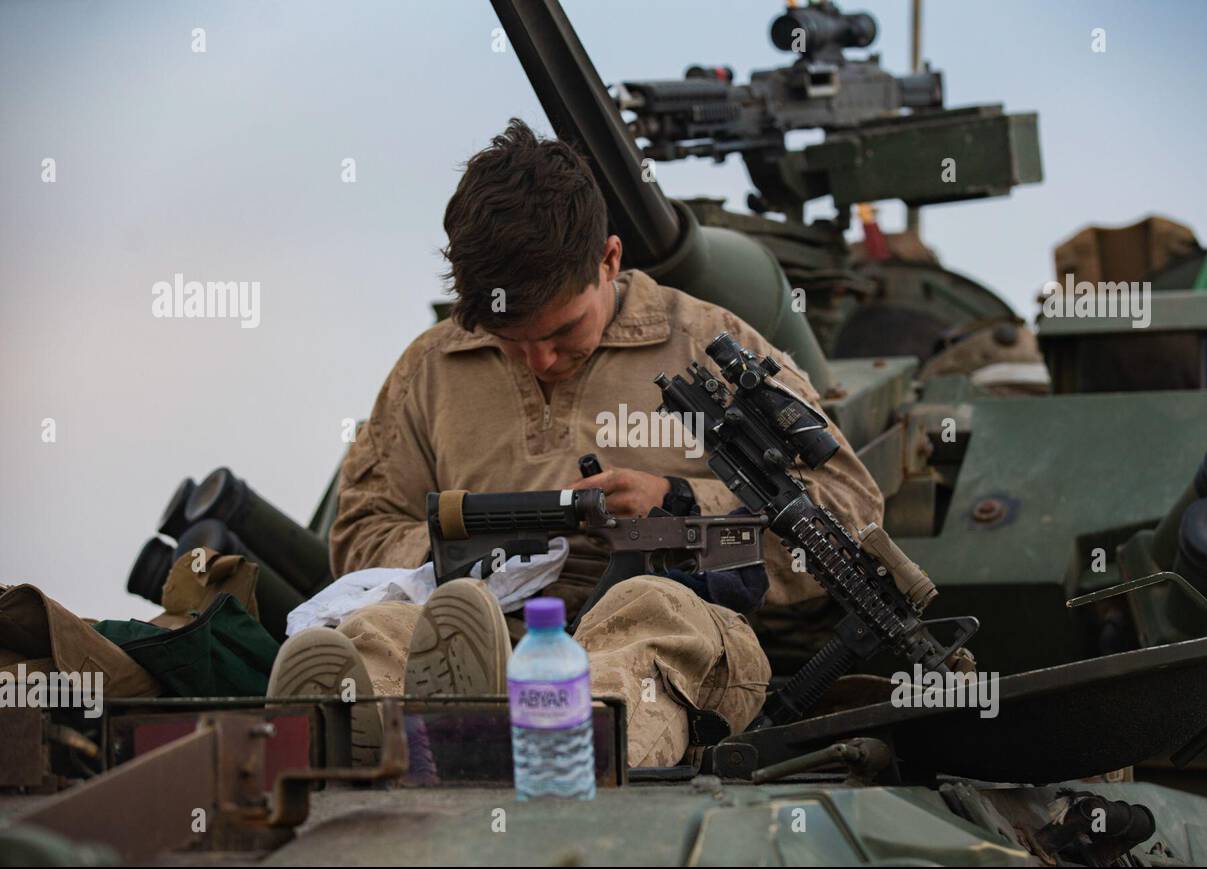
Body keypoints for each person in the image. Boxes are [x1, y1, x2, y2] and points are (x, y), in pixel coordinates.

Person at [266, 119, 883, 768]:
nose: (539, 360)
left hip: (676, 616)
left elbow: (852, 512)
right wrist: (477, 551)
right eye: (513, 342)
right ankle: (355, 756)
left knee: (653, 620)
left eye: (561, 331)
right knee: (383, 633)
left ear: (610, 260)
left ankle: (567, 759)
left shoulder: (711, 347)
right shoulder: (432, 368)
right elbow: (362, 527)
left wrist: (675, 507)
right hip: (484, 630)